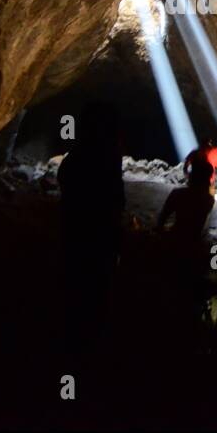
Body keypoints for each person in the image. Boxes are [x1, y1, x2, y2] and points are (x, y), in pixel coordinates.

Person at [57, 101, 126, 351]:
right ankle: (91, 344)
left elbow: (65, 187)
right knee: (96, 292)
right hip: (98, 241)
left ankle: (74, 342)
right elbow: (116, 201)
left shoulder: (76, 158)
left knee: (75, 288)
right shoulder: (108, 160)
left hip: (74, 237)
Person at [157, 160, 217, 336]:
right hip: (195, 248)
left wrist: (160, 236)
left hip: (175, 244)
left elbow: (161, 220)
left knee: (172, 290)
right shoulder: (208, 200)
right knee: (194, 290)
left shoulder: (177, 194)